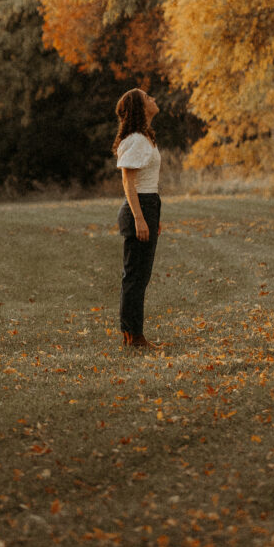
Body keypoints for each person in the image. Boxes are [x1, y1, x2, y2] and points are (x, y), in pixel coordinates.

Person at [114, 87, 163, 351]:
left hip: (149, 204)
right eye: (147, 97)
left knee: (140, 276)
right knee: (134, 276)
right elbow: (128, 182)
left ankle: (133, 334)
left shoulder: (145, 137)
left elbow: (147, 181)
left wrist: (153, 215)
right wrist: (140, 218)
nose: (153, 98)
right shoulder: (135, 139)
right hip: (139, 206)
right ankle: (133, 336)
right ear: (140, 108)